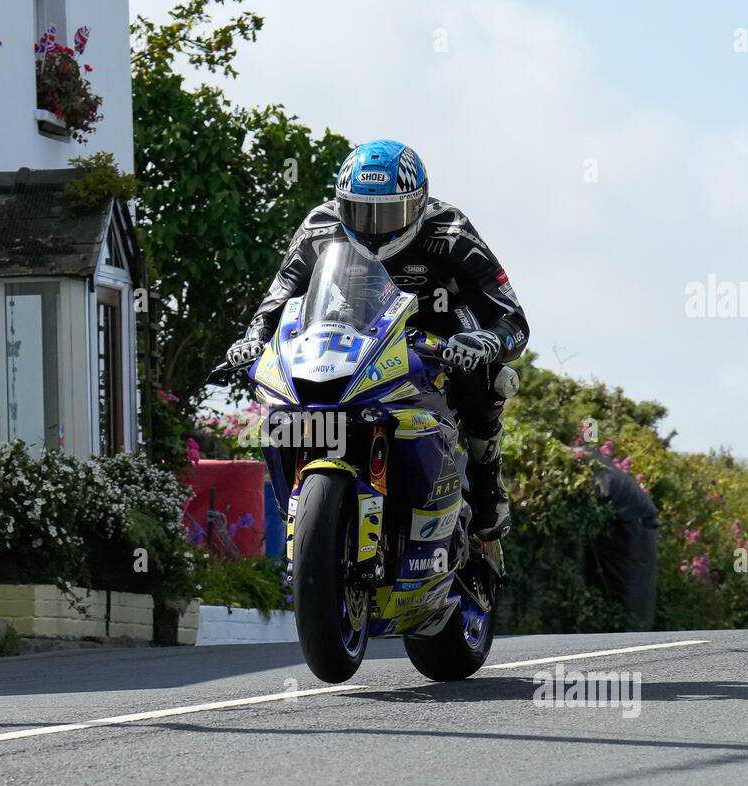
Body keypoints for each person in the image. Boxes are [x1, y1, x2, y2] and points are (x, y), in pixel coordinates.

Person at [225, 139, 529, 540]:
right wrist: (255, 336)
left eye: (388, 213)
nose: (373, 227)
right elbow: (279, 296)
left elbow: (510, 314)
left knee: (486, 378)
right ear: (340, 203)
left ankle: (487, 476)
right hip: (351, 337)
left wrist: (485, 342)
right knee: (293, 401)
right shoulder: (320, 225)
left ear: (418, 203)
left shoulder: (451, 229)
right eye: (360, 212)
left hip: (436, 337)